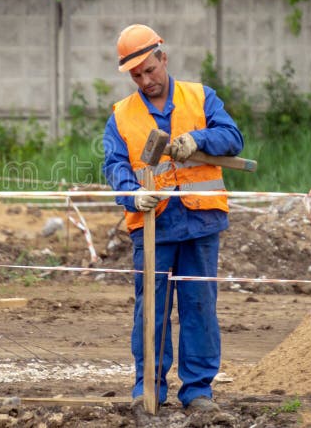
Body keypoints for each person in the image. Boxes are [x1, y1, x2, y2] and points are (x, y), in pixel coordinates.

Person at [102, 24, 244, 413]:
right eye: (137, 75)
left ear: (163, 58)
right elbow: (114, 165)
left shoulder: (200, 97)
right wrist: (133, 193)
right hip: (154, 226)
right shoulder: (121, 116)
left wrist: (199, 139)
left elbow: (232, 137)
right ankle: (148, 388)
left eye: (150, 70)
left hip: (200, 221)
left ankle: (198, 391)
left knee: (199, 307)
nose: (145, 80)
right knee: (152, 310)